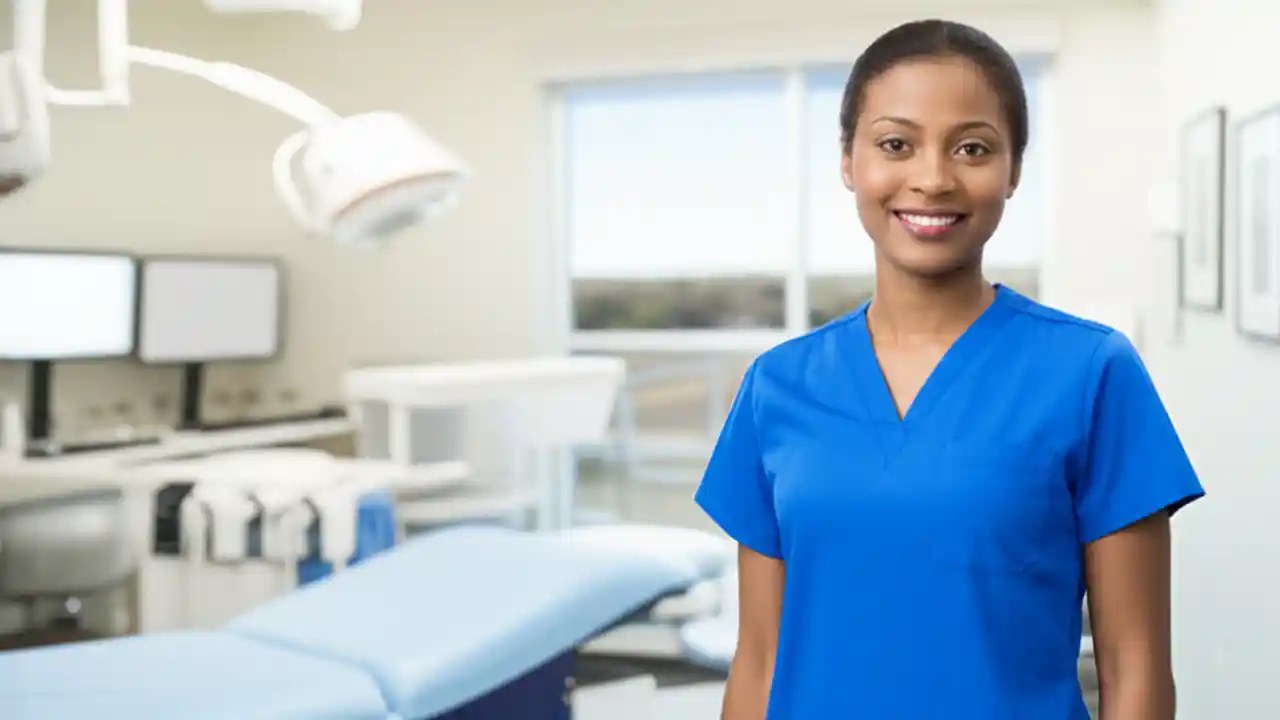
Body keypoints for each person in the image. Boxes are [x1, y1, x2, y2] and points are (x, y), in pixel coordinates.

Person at [694, 18, 1204, 720]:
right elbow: (759, 662)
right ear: (849, 160)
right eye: (896, 144)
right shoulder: (776, 387)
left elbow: (1136, 669)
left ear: (1013, 170)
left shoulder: (1091, 374)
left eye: (971, 148)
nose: (932, 179)